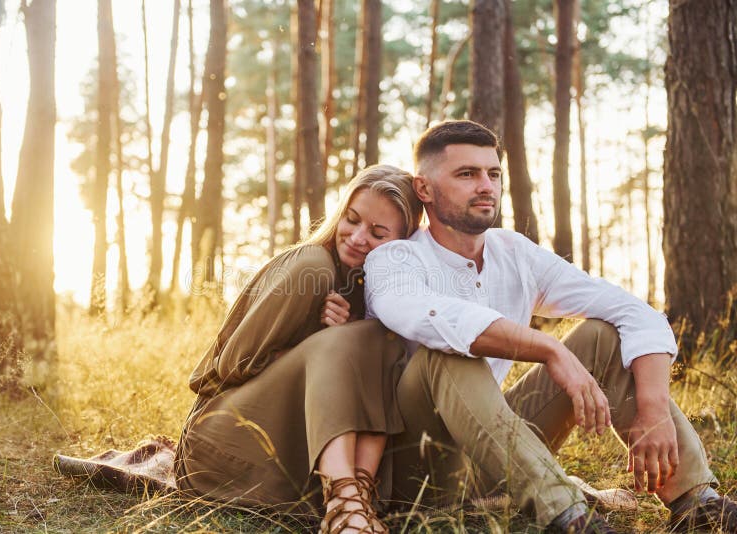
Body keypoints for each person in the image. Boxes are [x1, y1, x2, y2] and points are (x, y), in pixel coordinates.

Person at [362, 120, 737, 533]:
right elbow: (431, 317)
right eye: (466, 174)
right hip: (415, 469)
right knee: (450, 353)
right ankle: (569, 517)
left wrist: (652, 409)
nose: (486, 186)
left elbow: (632, 311)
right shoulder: (395, 259)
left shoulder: (513, 252)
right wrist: (550, 349)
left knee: (602, 336)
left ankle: (696, 503)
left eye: (493, 173)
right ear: (424, 189)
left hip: (495, 453)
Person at [175, 164, 423, 533]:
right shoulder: (312, 266)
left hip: (289, 454)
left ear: (402, 243)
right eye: (351, 219)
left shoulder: (371, 292)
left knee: (377, 338)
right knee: (364, 339)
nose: (356, 237)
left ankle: (354, 502)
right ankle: (347, 500)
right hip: (219, 444)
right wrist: (321, 344)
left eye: (377, 232)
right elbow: (230, 365)